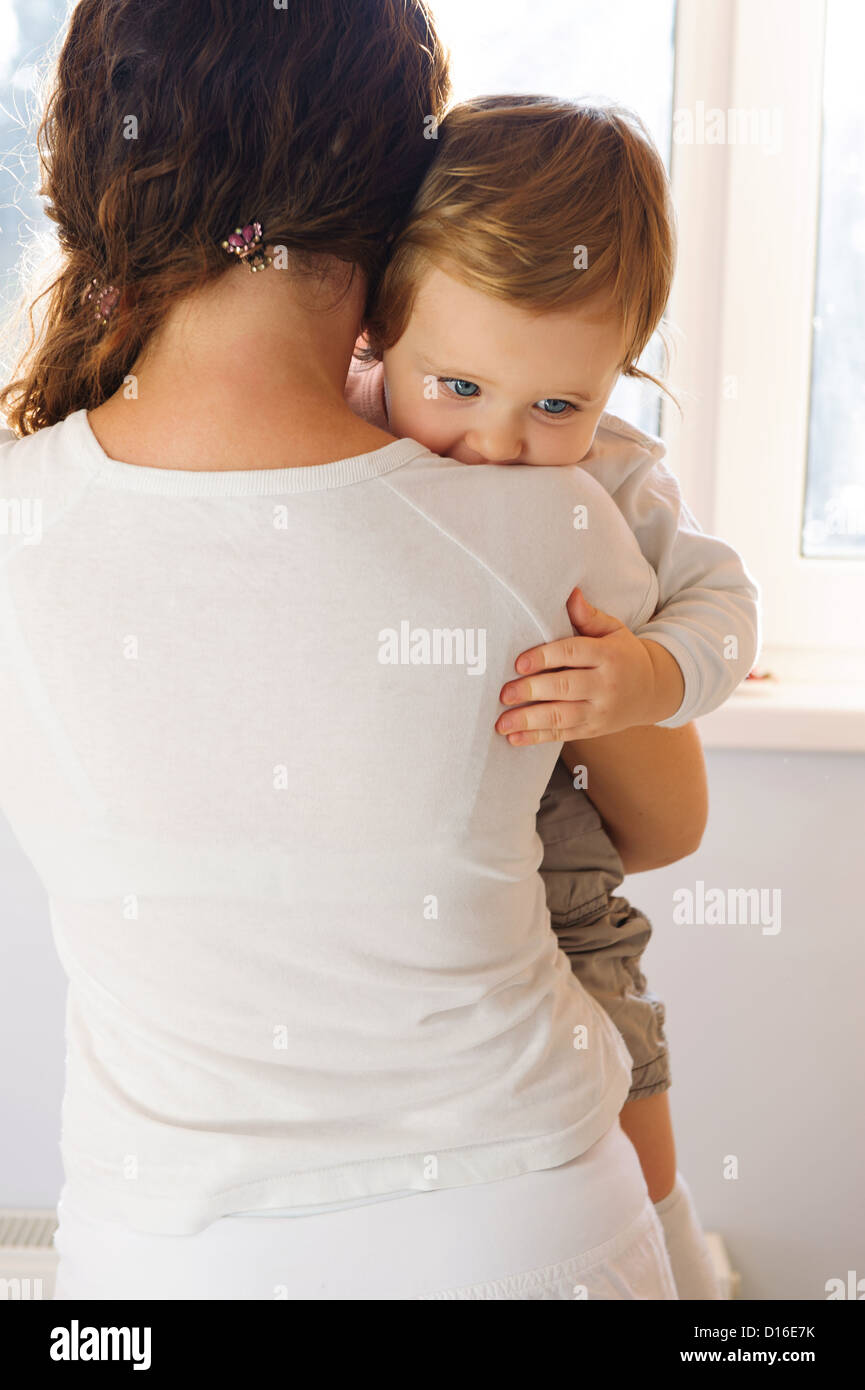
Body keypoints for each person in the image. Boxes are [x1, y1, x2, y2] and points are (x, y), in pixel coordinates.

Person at [1, 0, 700, 1299]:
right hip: (523, 1226)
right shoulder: (540, 510)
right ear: (403, 193)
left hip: (160, 1256)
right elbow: (659, 824)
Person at [342, 94, 763, 1297]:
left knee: (624, 1076)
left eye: (558, 406)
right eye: (460, 387)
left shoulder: (618, 480)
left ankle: (678, 1268)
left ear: (618, 374)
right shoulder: (348, 428)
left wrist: (644, 678)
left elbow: (723, 606)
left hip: (565, 847)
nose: (499, 442)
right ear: (381, 329)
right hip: (402, 880)